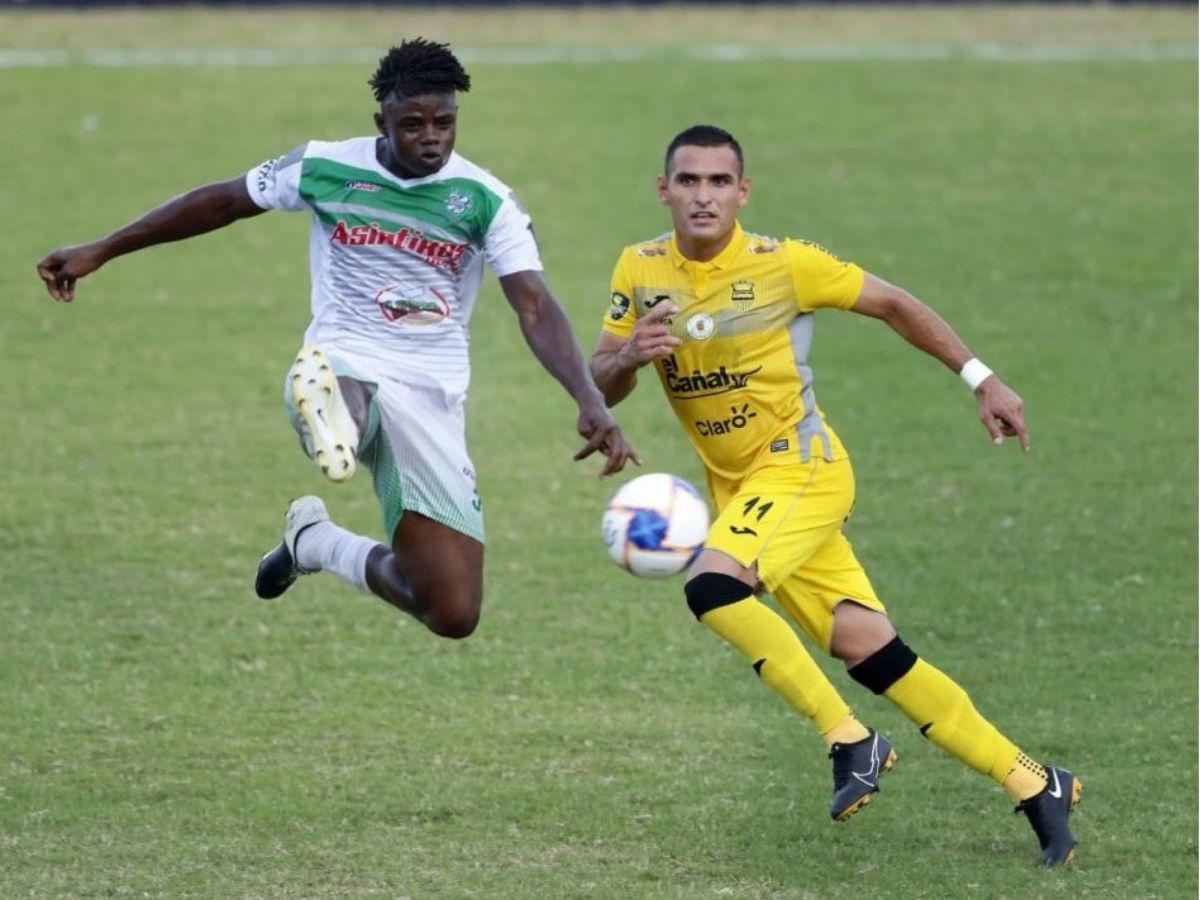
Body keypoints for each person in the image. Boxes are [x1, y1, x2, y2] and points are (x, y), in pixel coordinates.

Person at [589, 125, 1081, 865]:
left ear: (742, 193)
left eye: (719, 182)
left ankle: (851, 738)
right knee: (870, 650)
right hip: (743, 489)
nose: (703, 196)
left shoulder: (785, 265)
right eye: (688, 181)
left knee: (712, 586)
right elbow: (602, 375)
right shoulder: (639, 266)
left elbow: (893, 303)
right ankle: (1034, 780)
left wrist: (983, 379)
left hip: (802, 468)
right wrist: (630, 356)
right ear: (664, 190)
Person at [36, 38, 636, 639]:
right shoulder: (325, 166)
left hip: (431, 394)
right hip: (348, 355)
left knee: (451, 611)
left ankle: (315, 541)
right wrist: (104, 248)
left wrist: (588, 398)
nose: (431, 137)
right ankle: (332, 413)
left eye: (444, 123)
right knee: (342, 387)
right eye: (413, 125)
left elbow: (534, 305)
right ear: (382, 122)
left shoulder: (485, 200)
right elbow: (221, 202)